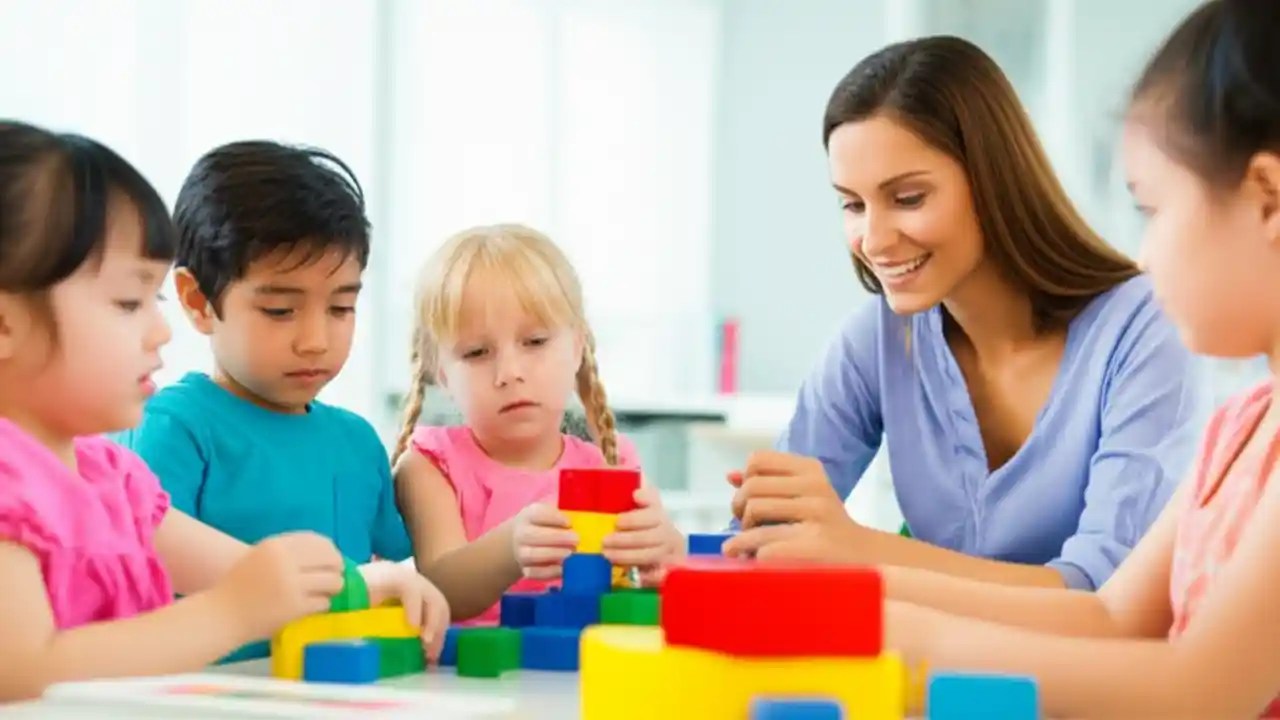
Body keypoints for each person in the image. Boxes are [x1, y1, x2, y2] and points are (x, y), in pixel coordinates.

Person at [877, 2, 1280, 716]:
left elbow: (1199, 690)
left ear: (1268, 200)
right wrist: (865, 596)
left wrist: (910, 639)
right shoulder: (1240, 427)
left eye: (1151, 210)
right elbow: (1112, 616)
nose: (1143, 257)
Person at [724, 34, 1205, 591]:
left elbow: (1104, 591)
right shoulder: (876, 340)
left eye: (908, 199)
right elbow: (758, 541)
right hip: (923, 648)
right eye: (853, 204)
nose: (873, 240)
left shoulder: (1142, 330)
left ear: (993, 181)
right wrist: (686, 551)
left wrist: (860, 549)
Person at [0, 122, 445, 702]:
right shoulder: (11, 484)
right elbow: (20, 671)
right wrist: (233, 614)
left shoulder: (112, 480)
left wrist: (366, 584)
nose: (160, 331)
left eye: (154, 300)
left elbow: (252, 570)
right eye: (128, 303)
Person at [119, 141, 414, 659]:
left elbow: (403, 572)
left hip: (337, 684)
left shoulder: (356, 442)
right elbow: (143, 572)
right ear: (197, 301)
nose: (315, 341)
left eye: (341, 308)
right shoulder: (176, 428)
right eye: (280, 310)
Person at [393, 224, 683, 623]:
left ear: (578, 347)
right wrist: (511, 546)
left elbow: (654, 583)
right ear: (441, 374)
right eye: (477, 353)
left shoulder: (613, 464)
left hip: (586, 662)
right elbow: (440, 589)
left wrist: (666, 550)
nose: (509, 372)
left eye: (535, 342)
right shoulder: (429, 465)